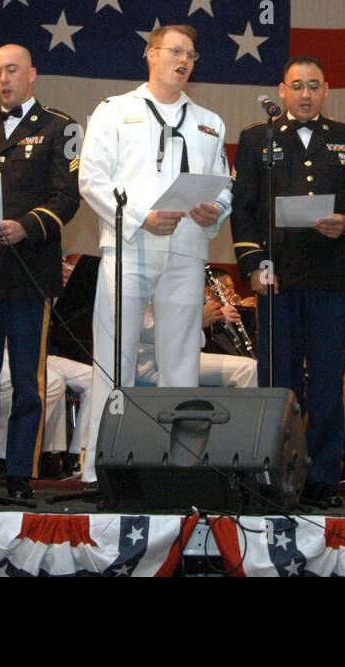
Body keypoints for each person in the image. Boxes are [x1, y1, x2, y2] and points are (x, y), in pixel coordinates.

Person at [78, 24, 232, 484]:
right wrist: (140, 216)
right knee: (115, 356)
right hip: (129, 246)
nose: (183, 61)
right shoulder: (114, 110)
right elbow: (92, 179)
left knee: (182, 359)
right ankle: (101, 468)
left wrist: (214, 213)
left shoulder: (209, 121)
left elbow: (224, 183)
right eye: (175, 51)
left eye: (191, 54)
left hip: (186, 247)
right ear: (151, 54)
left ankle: (181, 469)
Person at [230, 56, 345, 508]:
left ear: (326, 90)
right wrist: (254, 264)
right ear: (281, 90)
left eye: (313, 86)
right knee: (275, 380)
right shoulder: (257, 138)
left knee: (325, 382)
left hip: (331, 280)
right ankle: (270, 473)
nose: (304, 94)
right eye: (296, 85)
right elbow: (243, 209)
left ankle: (321, 477)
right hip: (276, 279)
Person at [0, 44, 80, 500]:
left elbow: (67, 197)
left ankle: (21, 473)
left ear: (32, 74)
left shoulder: (59, 126)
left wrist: (27, 226)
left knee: (29, 382)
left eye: (11, 70)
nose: (3, 79)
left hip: (30, 269)